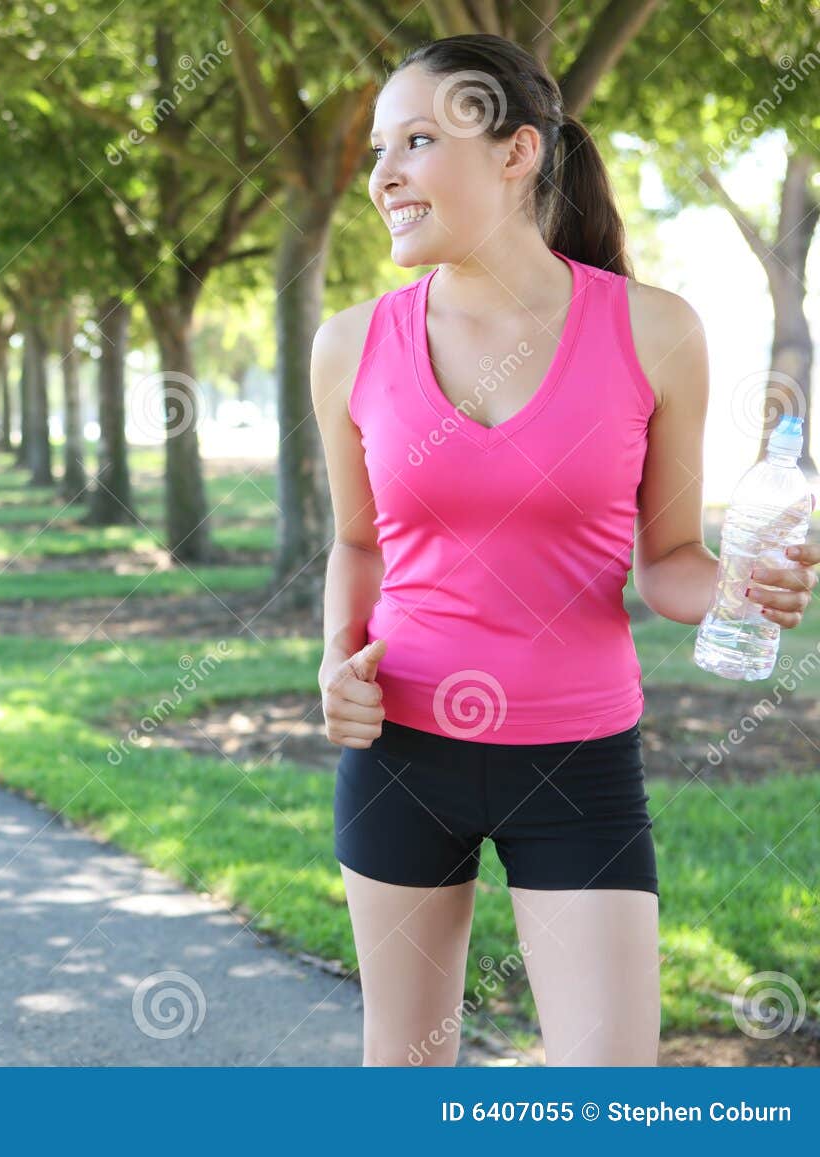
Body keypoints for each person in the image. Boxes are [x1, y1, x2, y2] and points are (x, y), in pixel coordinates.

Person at [311, 33, 817, 1066]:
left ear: (517, 152)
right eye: (376, 150)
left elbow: (667, 555)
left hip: (577, 764)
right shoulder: (350, 344)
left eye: (416, 139)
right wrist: (334, 658)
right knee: (402, 1077)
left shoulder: (655, 330)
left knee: (606, 1095)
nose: (384, 175)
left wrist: (737, 584)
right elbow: (357, 543)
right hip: (401, 754)